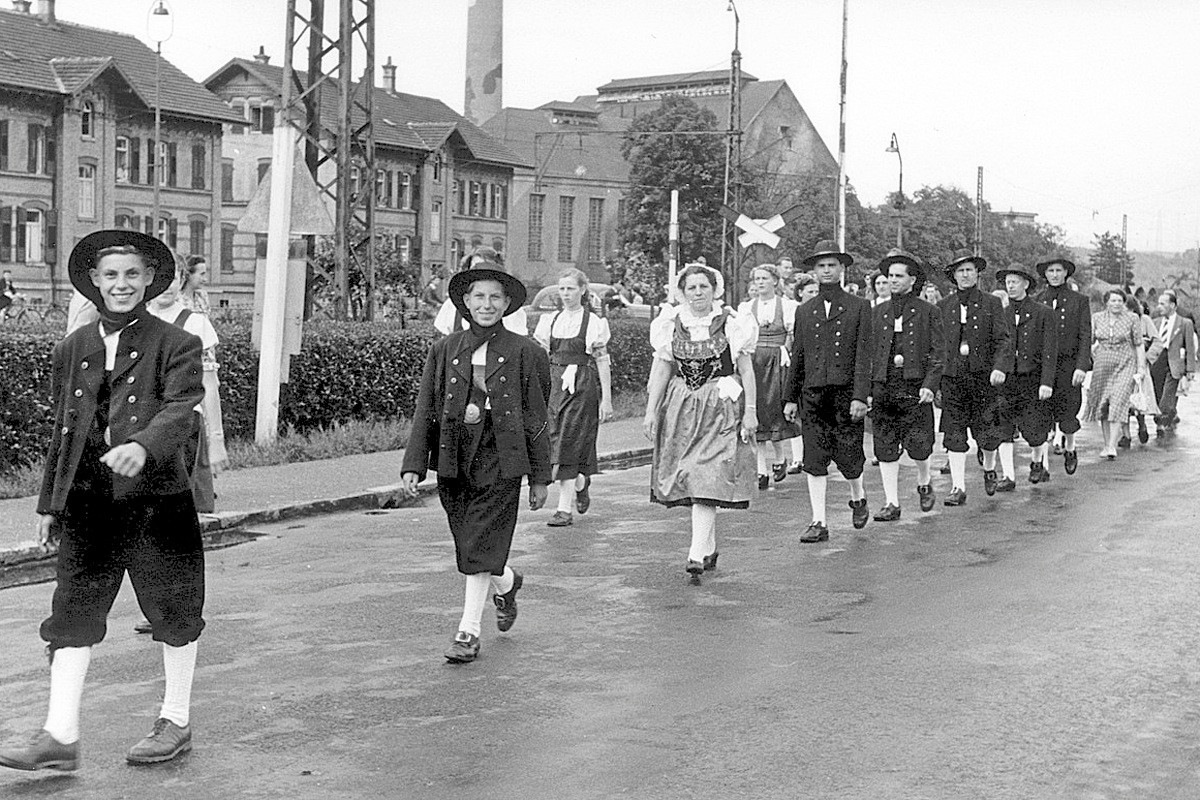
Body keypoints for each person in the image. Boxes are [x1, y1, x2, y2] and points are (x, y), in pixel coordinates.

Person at [0, 231, 205, 772]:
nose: (121, 284)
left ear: (149, 281)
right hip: (90, 502)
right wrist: (51, 502)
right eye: (111, 275)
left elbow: (182, 407)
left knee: (174, 609)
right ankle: (59, 736)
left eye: (132, 275)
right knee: (71, 614)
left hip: (158, 501)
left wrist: (143, 445)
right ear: (93, 281)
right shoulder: (72, 347)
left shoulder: (176, 342)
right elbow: (65, 431)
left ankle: (176, 719)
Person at [400, 256, 551, 664]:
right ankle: (507, 582)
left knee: (479, 540)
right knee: (471, 542)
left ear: (507, 304)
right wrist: (415, 462)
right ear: (465, 302)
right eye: (478, 296)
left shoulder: (526, 352)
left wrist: (540, 476)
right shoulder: (445, 349)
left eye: (495, 298)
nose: (486, 304)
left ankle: (468, 631)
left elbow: (537, 417)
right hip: (455, 454)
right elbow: (425, 408)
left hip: (503, 457)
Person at [644, 263, 758, 581]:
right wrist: (652, 410)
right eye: (691, 288)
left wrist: (751, 411)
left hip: (720, 405)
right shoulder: (670, 324)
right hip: (681, 406)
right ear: (683, 292)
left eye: (703, 287)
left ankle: (695, 554)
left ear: (714, 290)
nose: (698, 293)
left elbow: (746, 370)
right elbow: (662, 369)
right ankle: (707, 546)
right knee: (690, 477)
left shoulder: (732, 323)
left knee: (707, 476)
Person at [783, 240, 873, 542]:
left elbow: (864, 353)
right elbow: (798, 355)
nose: (826, 271)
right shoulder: (805, 310)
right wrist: (789, 397)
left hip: (846, 395)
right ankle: (818, 521)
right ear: (814, 270)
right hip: (813, 396)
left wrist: (861, 396)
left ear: (842, 269)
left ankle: (858, 497)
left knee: (849, 459)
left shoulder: (859, 307)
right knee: (814, 458)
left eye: (831, 265)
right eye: (820, 266)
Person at [533, 268, 613, 527]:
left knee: (568, 441)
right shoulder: (551, 321)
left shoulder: (593, 323)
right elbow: (541, 360)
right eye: (562, 289)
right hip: (555, 387)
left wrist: (607, 399)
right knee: (554, 441)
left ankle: (563, 509)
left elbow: (602, 361)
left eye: (571, 289)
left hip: (582, 386)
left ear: (582, 290)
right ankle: (580, 481)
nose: (566, 294)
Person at [867, 249, 942, 520]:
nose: (892, 280)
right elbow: (868, 353)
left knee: (920, 446)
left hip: (915, 388)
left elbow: (938, 353)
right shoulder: (877, 313)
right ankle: (891, 502)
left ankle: (924, 481)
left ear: (913, 280)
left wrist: (930, 385)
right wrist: (868, 390)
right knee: (885, 446)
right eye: (889, 276)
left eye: (899, 276)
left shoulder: (929, 312)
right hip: (884, 387)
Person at [936, 250, 1013, 506]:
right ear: (953, 276)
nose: (965, 275)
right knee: (954, 436)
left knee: (988, 436)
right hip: (953, 380)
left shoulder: (991, 303)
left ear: (977, 273)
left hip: (984, 380)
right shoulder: (944, 306)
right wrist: (935, 381)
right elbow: (937, 347)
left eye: (969, 269)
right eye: (960, 271)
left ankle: (990, 468)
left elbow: (1003, 340)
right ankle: (958, 486)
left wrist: (999, 367)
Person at [991, 263, 1057, 490]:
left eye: (1015, 282)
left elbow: (1050, 351)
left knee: (1035, 430)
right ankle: (1008, 476)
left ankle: (1037, 461)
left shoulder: (1044, 313)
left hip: (1033, 379)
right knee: (1004, 428)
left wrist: (1047, 382)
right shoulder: (1001, 313)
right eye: (1007, 282)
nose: (1010, 286)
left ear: (1026, 284)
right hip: (1007, 379)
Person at [738, 264, 800, 489]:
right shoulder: (746, 308)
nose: (760, 283)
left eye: (765, 278)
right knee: (757, 412)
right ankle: (761, 469)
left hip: (777, 361)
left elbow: (794, 333)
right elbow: (742, 337)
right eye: (757, 279)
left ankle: (780, 457)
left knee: (774, 410)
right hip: (754, 363)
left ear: (775, 280)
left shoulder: (786, 306)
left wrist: (786, 351)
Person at [1034, 257, 1091, 475]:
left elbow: (1085, 335)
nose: (1055, 275)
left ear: (1066, 273)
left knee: (1068, 413)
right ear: (1045, 274)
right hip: (1043, 367)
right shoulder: (1038, 300)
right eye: (1051, 271)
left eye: (1059, 270)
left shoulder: (1079, 300)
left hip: (1069, 365)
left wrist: (1081, 367)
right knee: (1042, 412)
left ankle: (1070, 448)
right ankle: (1041, 464)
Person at [1082, 289, 1147, 459]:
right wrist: (1086, 358)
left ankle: (1112, 446)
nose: (1116, 304)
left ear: (1124, 302)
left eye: (1119, 300)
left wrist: (1141, 368)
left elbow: (1139, 344)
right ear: (1107, 303)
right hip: (1102, 365)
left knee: (1119, 401)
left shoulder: (1132, 318)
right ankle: (1106, 443)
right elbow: (1088, 341)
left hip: (1125, 363)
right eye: (1113, 301)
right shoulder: (1097, 318)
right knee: (1103, 404)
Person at [433, 247, 528, 337]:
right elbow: (445, 343)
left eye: (487, 267)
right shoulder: (452, 305)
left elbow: (517, 345)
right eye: (475, 267)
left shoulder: (512, 310)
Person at [1147, 289, 1195, 438]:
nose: (1159, 306)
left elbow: (1190, 348)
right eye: (1158, 303)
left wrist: (1190, 369)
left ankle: (1162, 420)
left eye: (1163, 304)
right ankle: (1167, 414)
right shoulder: (1155, 322)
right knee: (1157, 392)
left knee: (1168, 394)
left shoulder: (1185, 323)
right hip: (1157, 361)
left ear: (1173, 305)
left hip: (1174, 362)